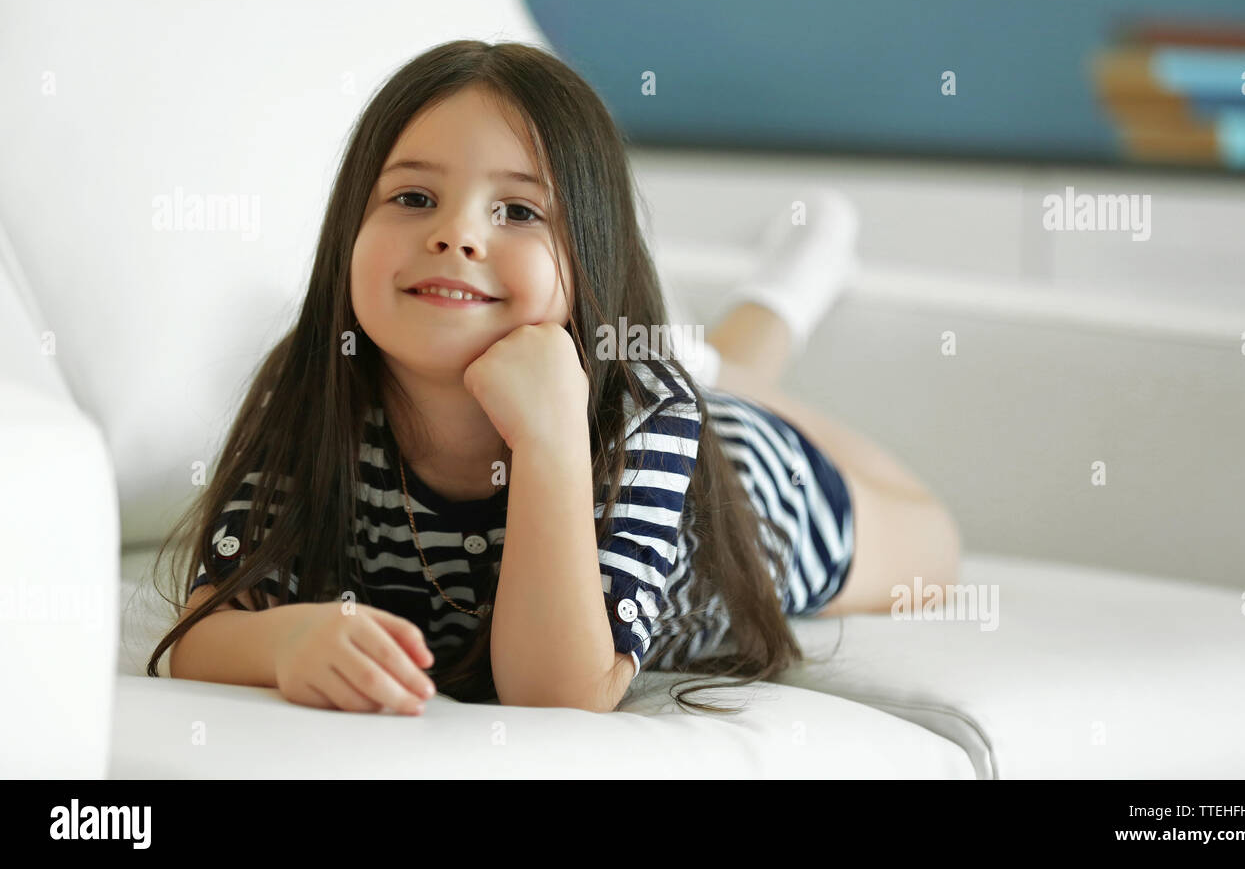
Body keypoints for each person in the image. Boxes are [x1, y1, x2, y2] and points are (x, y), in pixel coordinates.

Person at [152, 40, 961, 715]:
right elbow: (202, 630)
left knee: (933, 544)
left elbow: (560, 695)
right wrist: (282, 640)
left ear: (590, 262)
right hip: (651, 392)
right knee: (717, 378)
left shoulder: (646, 413)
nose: (457, 234)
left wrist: (547, 437)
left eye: (519, 211)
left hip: (750, 489)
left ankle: (757, 335)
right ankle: (736, 353)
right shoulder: (313, 380)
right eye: (413, 196)